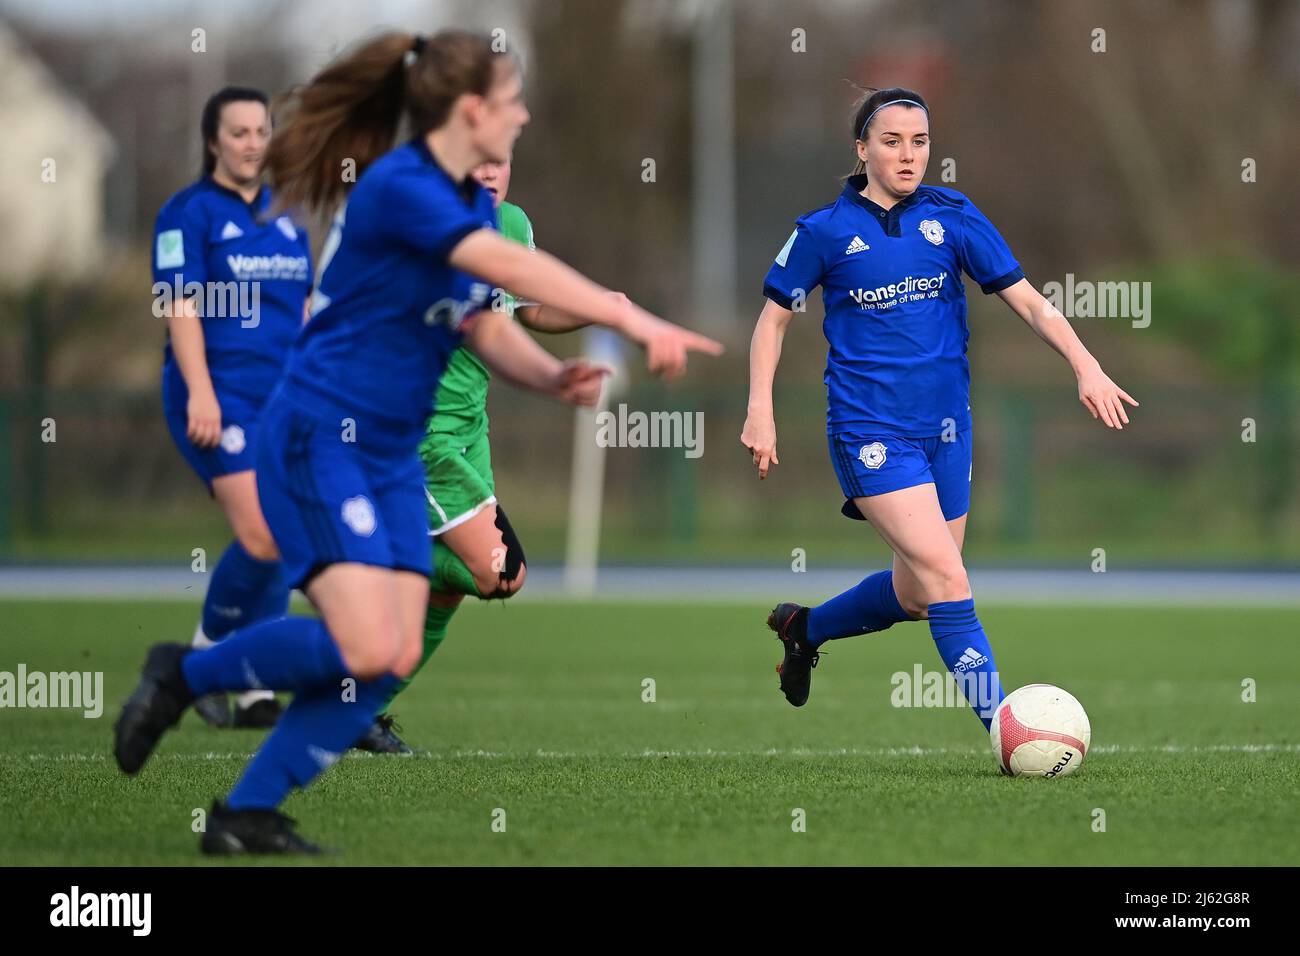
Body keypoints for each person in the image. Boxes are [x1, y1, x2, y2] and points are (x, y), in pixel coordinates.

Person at [115, 29, 721, 855]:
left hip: (390, 451)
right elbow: (507, 271)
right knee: (367, 643)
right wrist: (623, 313)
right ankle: (183, 674)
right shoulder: (403, 186)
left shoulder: (472, 203)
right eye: (512, 101)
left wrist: (548, 377)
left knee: (389, 654)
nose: (526, 115)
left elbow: (477, 320)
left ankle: (243, 814)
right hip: (322, 437)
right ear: (472, 112)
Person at [741, 87, 1137, 729]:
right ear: (861, 149)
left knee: (919, 595)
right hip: (870, 433)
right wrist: (761, 409)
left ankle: (804, 629)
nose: (908, 154)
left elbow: (1031, 302)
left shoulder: (952, 216)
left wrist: (1085, 363)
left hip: (947, 433)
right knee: (950, 582)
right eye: (892, 141)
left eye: (919, 141)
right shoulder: (823, 231)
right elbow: (772, 322)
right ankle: (1009, 731)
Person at [357, 154, 605, 754]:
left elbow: (524, 311)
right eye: (480, 161)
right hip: (418, 433)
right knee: (500, 571)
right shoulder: (424, 231)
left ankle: (361, 712)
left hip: (470, 430)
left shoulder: (511, 225)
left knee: (453, 589)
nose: (493, 171)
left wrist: (603, 305)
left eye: (503, 160)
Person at [152, 86, 312, 730]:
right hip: (218, 396)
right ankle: (197, 662)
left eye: (260, 131)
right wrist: (201, 392)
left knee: (285, 533)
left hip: (283, 398)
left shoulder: (290, 214)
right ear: (212, 141)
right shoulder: (186, 213)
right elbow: (180, 306)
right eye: (238, 132)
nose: (252, 143)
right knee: (264, 532)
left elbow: (303, 309)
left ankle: (253, 685)